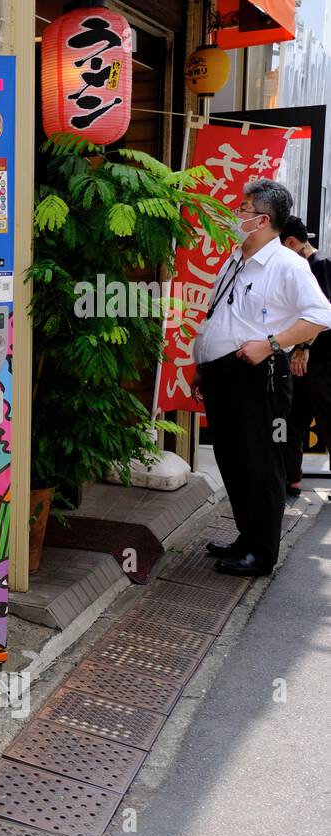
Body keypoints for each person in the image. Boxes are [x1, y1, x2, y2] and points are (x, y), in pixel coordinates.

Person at [191, 181, 331, 576]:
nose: (236, 214)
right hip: (224, 376)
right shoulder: (235, 259)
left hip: (260, 376)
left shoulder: (287, 265)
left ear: (263, 219)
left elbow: (321, 316)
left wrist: (271, 344)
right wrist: (202, 364)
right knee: (233, 461)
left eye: (243, 208)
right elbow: (220, 316)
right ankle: (246, 535)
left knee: (261, 462)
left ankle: (262, 552)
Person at [278, 216, 331, 496]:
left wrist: (304, 348)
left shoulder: (320, 264)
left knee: (326, 417)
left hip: (320, 361)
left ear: (291, 242)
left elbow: (322, 316)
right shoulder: (299, 268)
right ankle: (292, 478)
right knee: (292, 419)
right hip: (300, 360)